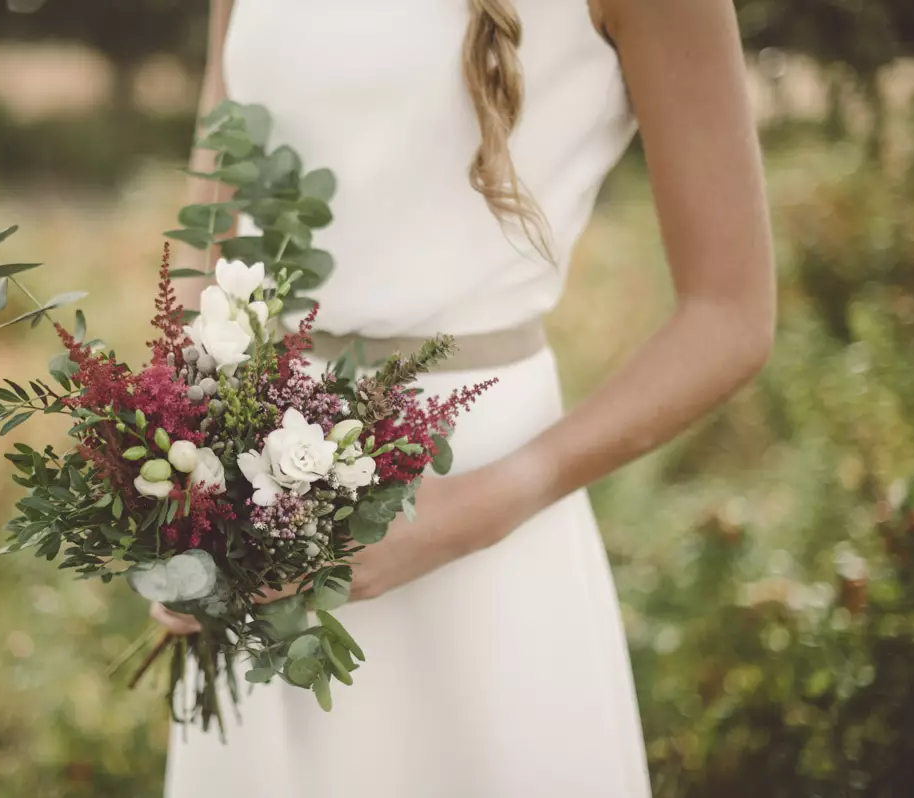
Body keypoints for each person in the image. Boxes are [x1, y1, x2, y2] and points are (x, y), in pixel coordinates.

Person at [152, 1, 775, 796]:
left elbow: (729, 314)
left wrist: (467, 515)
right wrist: (181, 450)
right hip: (259, 492)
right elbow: (211, 220)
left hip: (483, 493)